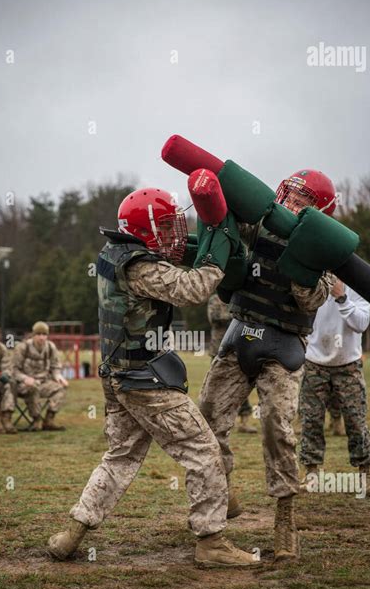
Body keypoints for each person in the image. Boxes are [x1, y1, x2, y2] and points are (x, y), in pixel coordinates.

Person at [48, 187, 258, 568]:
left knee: (120, 457)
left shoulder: (115, 253)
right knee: (204, 451)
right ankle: (211, 542)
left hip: (119, 376)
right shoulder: (140, 266)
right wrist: (215, 257)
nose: (174, 235)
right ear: (144, 230)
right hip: (145, 382)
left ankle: (71, 535)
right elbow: (192, 288)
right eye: (165, 227)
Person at [199, 169, 337, 561]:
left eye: (301, 200)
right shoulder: (257, 226)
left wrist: (302, 261)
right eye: (289, 195)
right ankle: (222, 495)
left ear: (319, 211)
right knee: (206, 420)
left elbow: (312, 300)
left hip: (283, 346)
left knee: (277, 428)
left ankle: (285, 516)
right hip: (240, 334)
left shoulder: (324, 248)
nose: (290, 204)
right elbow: (229, 242)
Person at [299, 279, 370, 495]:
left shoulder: (358, 285)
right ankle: (312, 474)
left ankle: (366, 476)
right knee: (311, 420)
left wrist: (341, 297)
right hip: (314, 364)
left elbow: (361, 323)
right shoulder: (312, 280)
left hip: (348, 365)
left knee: (356, 421)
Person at [207, 293, 257, 434]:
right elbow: (213, 318)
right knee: (215, 388)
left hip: (238, 347)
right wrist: (235, 316)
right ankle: (214, 421)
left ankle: (244, 422)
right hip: (219, 348)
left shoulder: (239, 297)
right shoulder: (215, 299)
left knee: (242, 386)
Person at [13, 322, 68, 431]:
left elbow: (55, 366)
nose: (41, 337)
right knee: (33, 388)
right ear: (33, 335)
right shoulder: (22, 347)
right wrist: (24, 378)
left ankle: (49, 419)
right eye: (38, 334)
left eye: (44, 334)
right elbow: (14, 370)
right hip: (24, 385)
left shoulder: (50, 347)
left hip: (43, 383)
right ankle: (36, 419)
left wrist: (58, 376)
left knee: (61, 389)